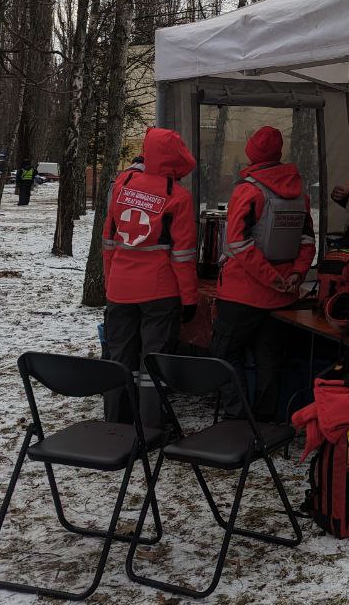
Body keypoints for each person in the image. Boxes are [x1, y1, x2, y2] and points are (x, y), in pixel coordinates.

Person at [212, 125, 316, 420]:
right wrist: (296, 274)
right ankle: (265, 420)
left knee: (223, 353)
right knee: (269, 358)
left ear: (251, 153)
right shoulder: (300, 193)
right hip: (281, 296)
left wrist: (272, 278)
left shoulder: (248, 190)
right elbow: (307, 240)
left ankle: (238, 418)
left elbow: (237, 243)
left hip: (243, 293)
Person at [101, 127, 198, 424]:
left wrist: (110, 282)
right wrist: (189, 299)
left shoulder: (122, 184)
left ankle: (115, 424)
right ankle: (150, 427)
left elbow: (108, 242)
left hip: (120, 289)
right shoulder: (179, 197)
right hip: (160, 293)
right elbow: (183, 256)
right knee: (153, 363)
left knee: (119, 358)